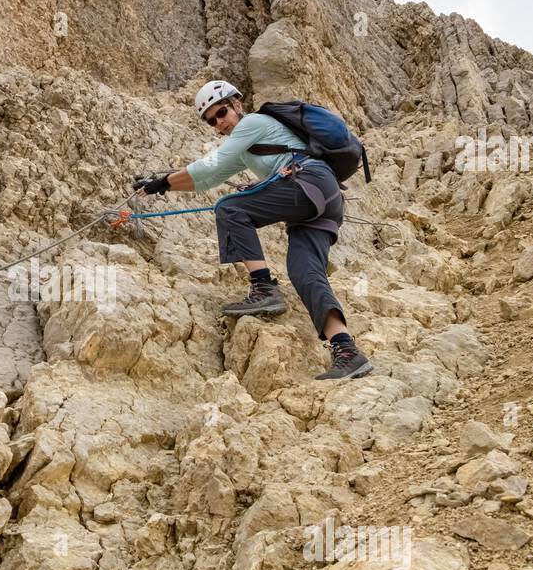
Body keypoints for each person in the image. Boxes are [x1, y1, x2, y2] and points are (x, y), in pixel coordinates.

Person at [133, 80, 372, 380]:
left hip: (309, 182)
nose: (219, 124)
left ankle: (263, 287)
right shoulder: (247, 148)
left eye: (221, 113)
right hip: (325, 198)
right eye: (212, 122)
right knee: (304, 271)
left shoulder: (255, 122)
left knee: (229, 208)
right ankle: (347, 350)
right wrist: (160, 187)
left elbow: (211, 163)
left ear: (237, 104)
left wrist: (165, 180)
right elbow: (209, 178)